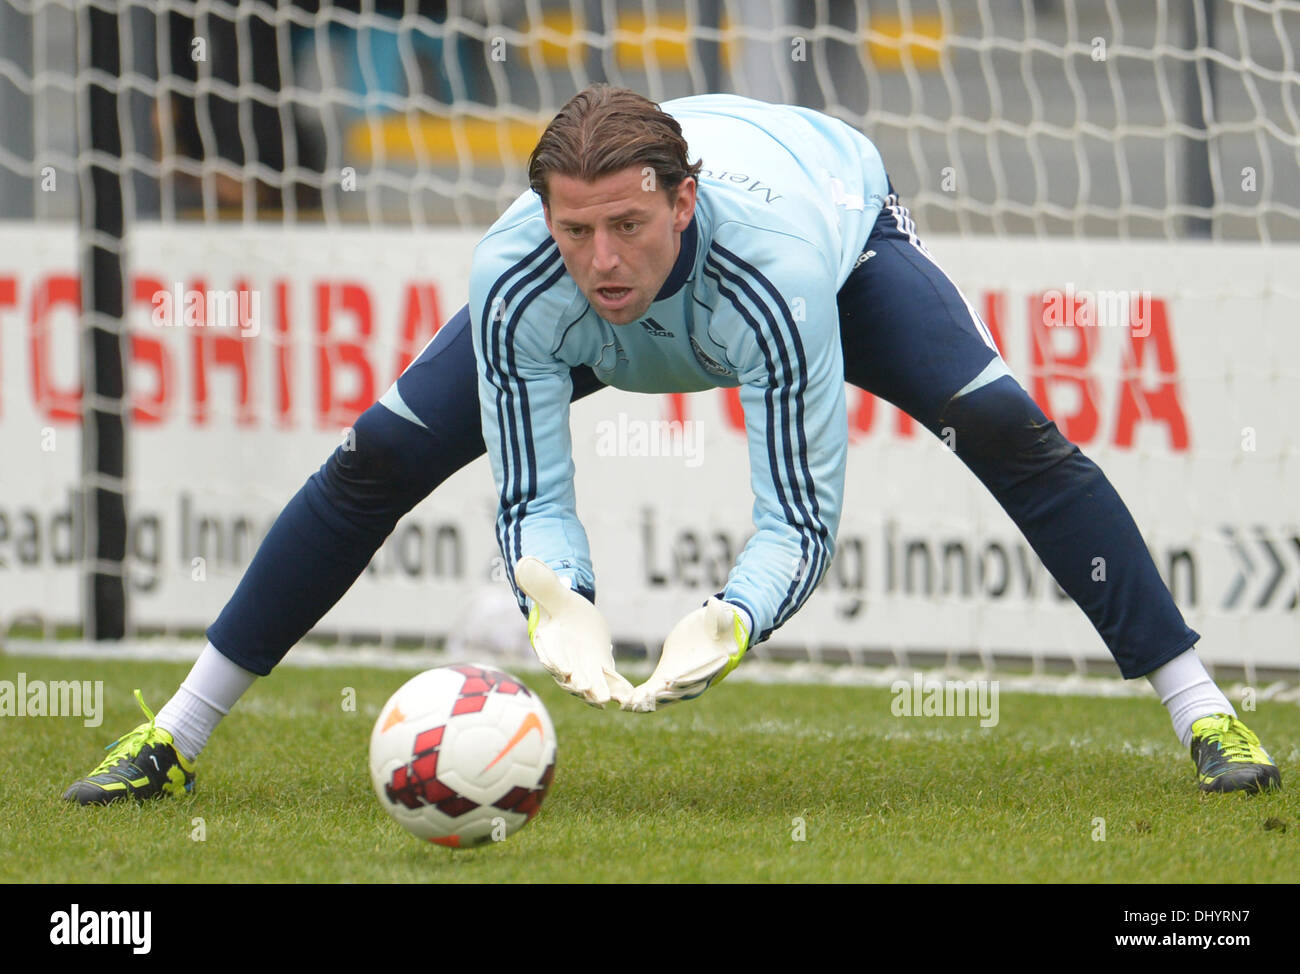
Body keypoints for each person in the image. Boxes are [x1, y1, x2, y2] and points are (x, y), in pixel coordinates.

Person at [63, 85, 1280, 804]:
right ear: (545, 217)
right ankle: (173, 730)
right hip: (659, 287)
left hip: (836, 221)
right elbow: (534, 488)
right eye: (576, 228)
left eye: (628, 226)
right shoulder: (523, 278)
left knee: (1012, 429)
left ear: (678, 203)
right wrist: (558, 595)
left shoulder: (782, 269)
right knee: (372, 457)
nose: (602, 260)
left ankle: (1200, 709)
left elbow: (799, 515)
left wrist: (736, 613)